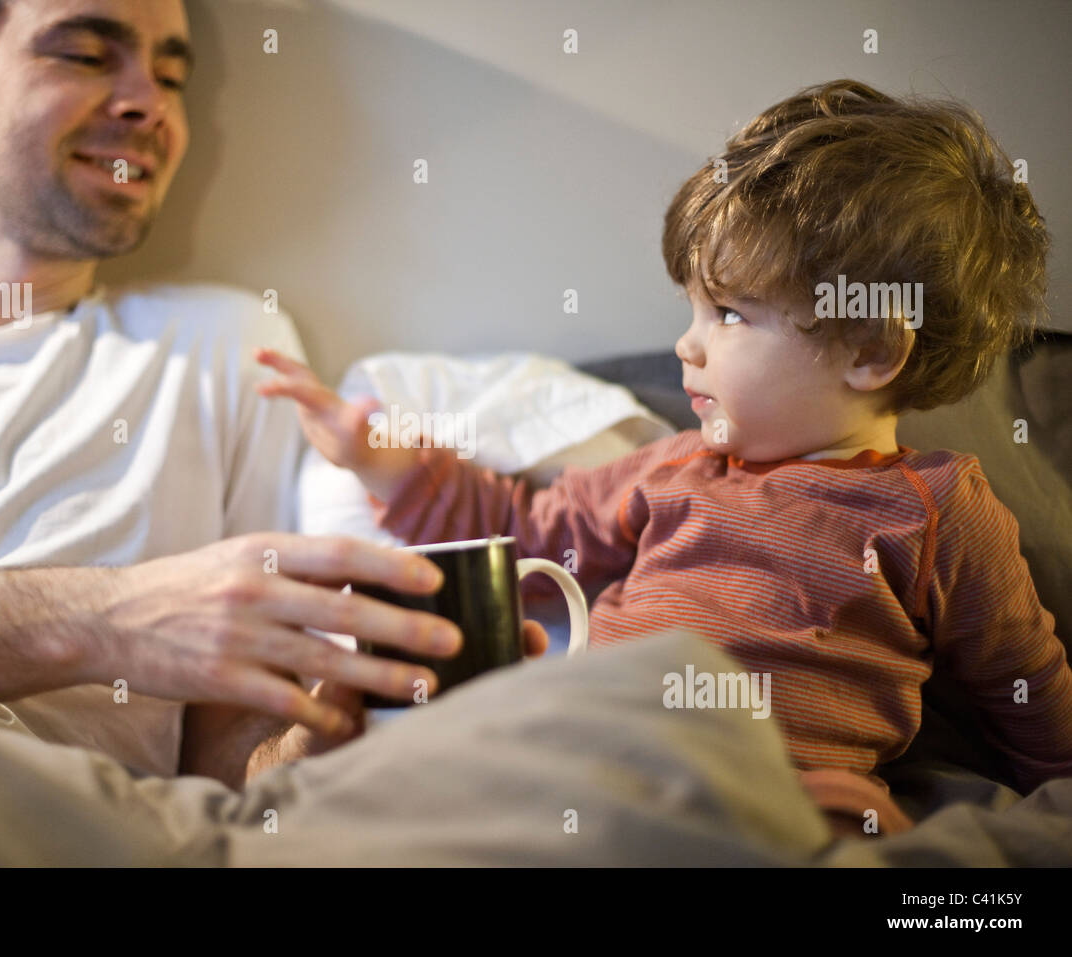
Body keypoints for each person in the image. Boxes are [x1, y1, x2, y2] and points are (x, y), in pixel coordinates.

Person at [255, 80, 1072, 836]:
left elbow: (1023, 685)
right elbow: (518, 530)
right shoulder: (675, 466)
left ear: (868, 345)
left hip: (775, 797)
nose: (687, 344)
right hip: (579, 752)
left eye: (728, 314)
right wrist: (386, 462)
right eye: (691, 308)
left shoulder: (936, 509)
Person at [0, 0, 546, 788]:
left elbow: (227, 766)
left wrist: (316, 748)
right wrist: (103, 620)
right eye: (84, 54)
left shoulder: (226, 347)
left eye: (172, 75)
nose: (151, 103)